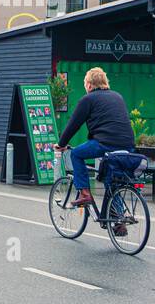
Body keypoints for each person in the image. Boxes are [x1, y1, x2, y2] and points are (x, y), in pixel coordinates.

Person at [54, 67, 135, 207]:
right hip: (128, 145)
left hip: (105, 143)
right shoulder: (117, 96)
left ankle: (85, 193)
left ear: (89, 85)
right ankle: (118, 221)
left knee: (76, 154)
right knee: (111, 180)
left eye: (85, 84)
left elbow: (73, 125)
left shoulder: (88, 99)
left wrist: (61, 144)